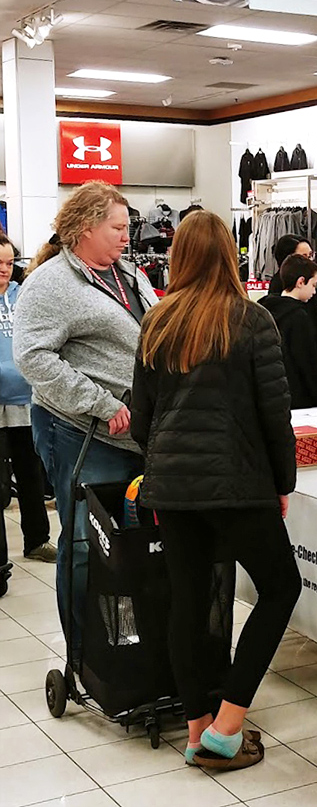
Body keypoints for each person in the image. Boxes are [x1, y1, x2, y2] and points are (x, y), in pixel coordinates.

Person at [131, 210, 301, 772]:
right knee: (280, 587)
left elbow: (142, 419)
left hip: (172, 489)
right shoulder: (252, 322)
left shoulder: (157, 322)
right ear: (230, 255)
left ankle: (198, 726)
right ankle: (229, 725)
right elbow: (276, 416)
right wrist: (282, 483)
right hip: (238, 485)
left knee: (190, 600)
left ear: (177, 257)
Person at [14, 182, 157, 649]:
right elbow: (33, 358)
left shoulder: (129, 274)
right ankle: (85, 652)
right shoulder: (50, 283)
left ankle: (133, 646)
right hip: (79, 433)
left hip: (136, 435)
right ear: (83, 228)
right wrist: (102, 402)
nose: (125, 236)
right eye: (116, 227)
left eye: (126, 227)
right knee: (82, 544)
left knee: (133, 544)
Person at [0, 236, 56, 575]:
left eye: (9, 264)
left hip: (26, 399)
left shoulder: (22, 295)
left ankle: (37, 540)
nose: (4, 271)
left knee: (32, 474)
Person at [268, 234, 317, 390]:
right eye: (303, 256)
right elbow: (306, 348)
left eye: (310, 255)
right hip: (303, 383)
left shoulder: (299, 299)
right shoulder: (294, 307)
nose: (309, 261)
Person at [260, 254, 317, 409]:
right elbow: (309, 364)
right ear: (301, 282)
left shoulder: (265, 309)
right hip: (300, 398)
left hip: (272, 395)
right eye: (314, 285)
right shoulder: (299, 316)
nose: (315, 292)